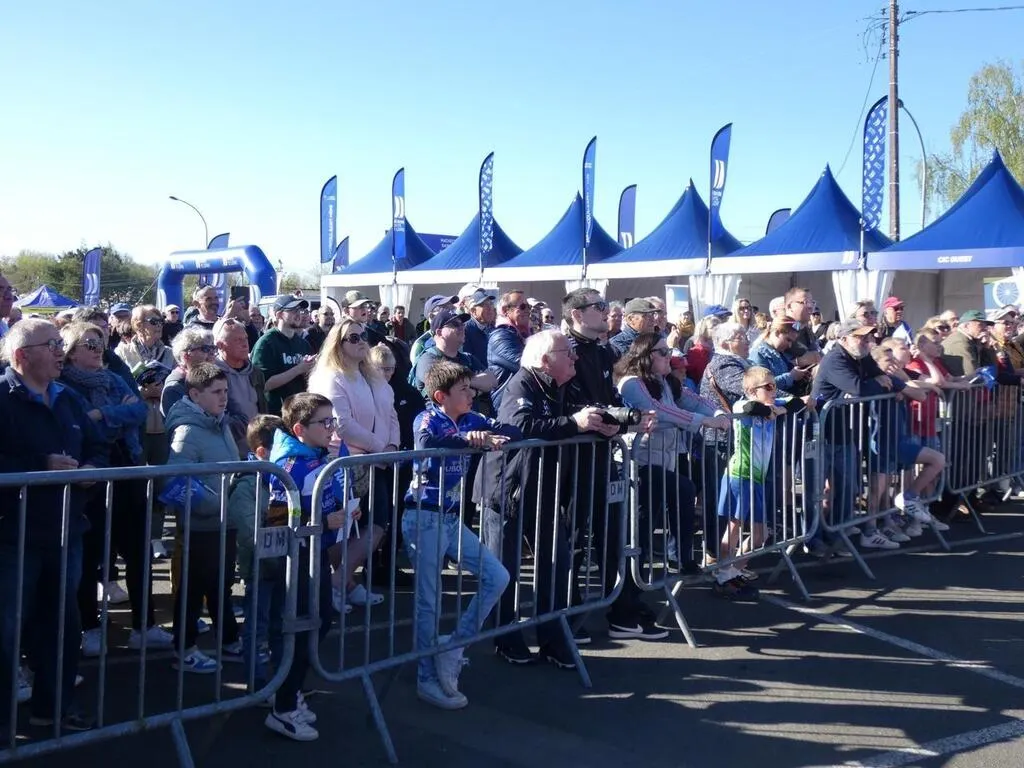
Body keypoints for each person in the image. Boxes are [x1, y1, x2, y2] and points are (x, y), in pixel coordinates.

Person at [481, 329, 621, 667]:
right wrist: (574, 423)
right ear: (545, 360)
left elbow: (578, 415)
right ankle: (506, 638)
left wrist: (607, 426)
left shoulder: (562, 386)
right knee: (505, 571)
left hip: (544, 489)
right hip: (507, 490)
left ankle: (554, 640)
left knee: (557, 566)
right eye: (566, 353)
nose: (574, 357)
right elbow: (520, 425)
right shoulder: (521, 383)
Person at [0, 318, 104, 733]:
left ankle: (54, 708)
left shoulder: (68, 398)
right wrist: (38, 466)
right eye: (53, 344)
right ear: (22, 356)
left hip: (65, 531)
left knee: (63, 625)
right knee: (6, 629)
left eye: (61, 343)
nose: (62, 351)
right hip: (12, 535)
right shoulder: (2, 398)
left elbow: (97, 443)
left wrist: (93, 468)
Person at [404, 360, 516, 709]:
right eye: (463, 390)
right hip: (423, 518)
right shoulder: (427, 417)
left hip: (452, 520)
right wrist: (466, 439)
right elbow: (426, 440)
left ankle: (453, 647)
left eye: (471, 388)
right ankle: (426, 678)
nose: (471, 394)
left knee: (497, 576)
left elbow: (510, 430)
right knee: (429, 602)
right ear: (441, 396)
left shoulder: (473, 418)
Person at [59, 322, 170, 657]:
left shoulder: (114, 378)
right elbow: (82, 427)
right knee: (90, 553)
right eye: (90, 344)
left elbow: (138, 410)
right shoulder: (63, 385)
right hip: (89, 477)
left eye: (100, 344)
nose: (98, 350)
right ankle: (90, 628)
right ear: (71, 351)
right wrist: (112, 416)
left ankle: (144, 626)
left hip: (127, 469)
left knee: (137, 550)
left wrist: (102, 413)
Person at [561, 288, 661, 642]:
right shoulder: (564, 350)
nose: (606, 312)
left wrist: (628, 420)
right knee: (573, 540)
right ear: (577, 314)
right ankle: (568, 617)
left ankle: (623, 612)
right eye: (598, 307)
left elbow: (609, 399)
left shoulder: (604, 352)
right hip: (573, 460)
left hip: (604, 456)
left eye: (606, 306)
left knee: (614, 536)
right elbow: (570, 405)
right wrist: (607, 420)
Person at [267, 393, 358, 741]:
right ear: (299, 429)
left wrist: (344, 512)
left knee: (319, 622)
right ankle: (283, 706)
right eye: (324, 422)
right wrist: (319, 520)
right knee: (296, 627)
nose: (332, 428)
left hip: (315, 555)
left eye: (333, 420)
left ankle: (291, 693)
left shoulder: (321, 456)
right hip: (295, 561)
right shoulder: (289, 466)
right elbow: (277, 520)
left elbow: (327, 499)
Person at [616, 333, 729, 577]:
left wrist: (718, 414)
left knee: (652, 518)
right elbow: (657, 410)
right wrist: (703, 421)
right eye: (663, 352)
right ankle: (637, 577)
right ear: (646, 356)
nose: (669, 356)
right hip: (638, 462)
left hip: (663, 461)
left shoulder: (666, 382)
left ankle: (676, 558)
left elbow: (694, 400)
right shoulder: (632, 383)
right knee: (650, 516)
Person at [164, 363, 243, 674]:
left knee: (221, 585)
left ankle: (229, 639)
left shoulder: (219, 423)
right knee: (194, 589)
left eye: (226, 391)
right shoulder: (187, 432)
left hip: (225, 522)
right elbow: (175, 480)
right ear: (195, 395)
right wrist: (216, 504)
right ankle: (184, 648)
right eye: (216, 392)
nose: (224, 397)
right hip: (202, 526)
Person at [308, 317, 400, 558]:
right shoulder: (330, 377)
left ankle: (343, 578)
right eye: (353, 337)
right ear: (338, 344)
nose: (361, 342)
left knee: (376, 527)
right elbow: (342, 424)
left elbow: (391, 414)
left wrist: (392, 446)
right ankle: (340, 578)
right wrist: (380, 448)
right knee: (345, 531)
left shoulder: (372, 375)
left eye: (363, 336)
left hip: (376, 463)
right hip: (346, 466)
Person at [714, 366, 804, 599]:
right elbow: (751, 408)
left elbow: (797, 402)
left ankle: (734, 570)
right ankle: (723, 575)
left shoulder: (773, 404)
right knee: (734, 527)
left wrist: (778, 408)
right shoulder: (741, 405)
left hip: (758, 478)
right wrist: (771, 410)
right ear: (752, 390)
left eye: (774, 386)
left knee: (761, 535)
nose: (774, 391)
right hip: (739, 475)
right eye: (769, 387)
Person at [251, 294, 315, 416]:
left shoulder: (303, 344)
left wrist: (310, 369)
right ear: (279, 315)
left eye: (299, 310)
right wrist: (299, 369)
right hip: (276, 415)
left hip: (300, 413)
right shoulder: (266, 343)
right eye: (293, 310)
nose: (298, 314)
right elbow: (264, 385)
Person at [414, 308, 496, 402]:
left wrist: (467, 386)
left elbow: (492, 381)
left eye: (462, 324)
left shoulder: (468, 358)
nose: (462, 328)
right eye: (455, 325)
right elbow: (445, 386)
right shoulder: (427, 359)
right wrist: (476, 386)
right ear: (439, 332)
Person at [215, 317, 268, 458]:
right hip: (228, 452)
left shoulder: (256, 373)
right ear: (220, 345)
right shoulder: (213, 374)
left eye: (245, 338)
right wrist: (238, 425)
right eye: (237, 340)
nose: (245, 344)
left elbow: (262, 408)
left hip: (257, 449)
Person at [486, 290, 530, 409]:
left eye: (528, 306)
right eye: (522, 306)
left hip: (524, 399)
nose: (527, 310)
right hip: (507, 404)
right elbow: (525, 365)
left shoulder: (523, 335)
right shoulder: (500, 336)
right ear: (506, 310)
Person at [161, 327, 217, 416]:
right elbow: (184, 422)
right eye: (206, 349)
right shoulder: (174, 388)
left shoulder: (212, 378)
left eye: (213, 348)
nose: (212, 353)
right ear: (186, 356)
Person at [115, 305, 176, 374]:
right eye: (154, 321)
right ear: (139, 325)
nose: (159, 325)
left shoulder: (169, 353)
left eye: (161, 321)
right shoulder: (123, 353)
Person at [462, 289, 497, 366]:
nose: (490, 308)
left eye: (491, 304)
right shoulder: (465, 330)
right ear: (473, 311)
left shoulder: (493, 328)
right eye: (484, 305)